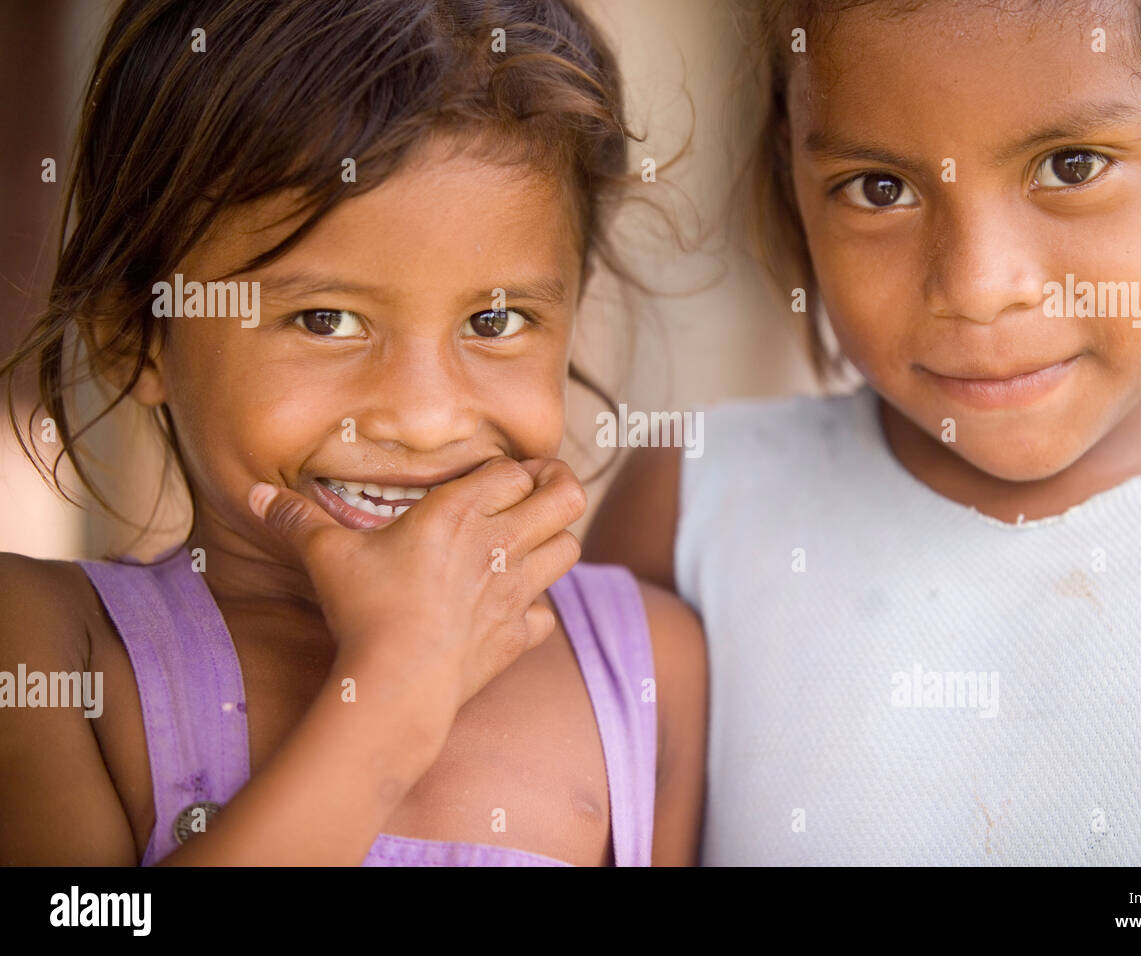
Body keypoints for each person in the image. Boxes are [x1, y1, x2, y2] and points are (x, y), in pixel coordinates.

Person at [586, 0, 1141, 864]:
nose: (977, 284)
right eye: (879, 188)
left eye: (1071, 166)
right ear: (795, 180)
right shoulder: (696, 505)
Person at [0, 0, 706, 866]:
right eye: (325, 320)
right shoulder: (50, 648)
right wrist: (393, 693)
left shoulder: (650, 670)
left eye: (495, 322)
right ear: (133, 336)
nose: (422, 418)